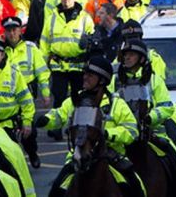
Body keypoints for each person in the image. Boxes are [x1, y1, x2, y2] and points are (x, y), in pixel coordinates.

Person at [37, 54, 144, 197]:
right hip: (78, 155)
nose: (85, 77)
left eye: (90, 75)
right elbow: (59, 115)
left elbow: (132, 131)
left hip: (111, 156)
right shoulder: (75, 100)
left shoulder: (117, 104)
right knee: (56, 188)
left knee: (136, 186)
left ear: (102, 80)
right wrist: (46, 120)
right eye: (85, 74)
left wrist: (107, 134)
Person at [39, 0, 94, 136]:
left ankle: (77, 126)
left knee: (78, 98)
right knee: (59, 97)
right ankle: (56, 127)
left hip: (78, 66)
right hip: (58, 66)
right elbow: (44, 42)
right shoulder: (52, 18)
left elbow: (93, 42)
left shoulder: (85, 19)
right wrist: (43, 68)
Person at [0, 38, 39, 169]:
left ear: (2, 54)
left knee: (13, 159)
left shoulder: (13, 73)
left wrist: (27, 122)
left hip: (8, 124)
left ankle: (32, 153)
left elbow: (26, 100)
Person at [112, 39, 174, 134]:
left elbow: (167, 107)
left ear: (141, 58)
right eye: (125, 55)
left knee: (169, 149)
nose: (127, 58)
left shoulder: (154, 80)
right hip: (122, 132)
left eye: (131, 55)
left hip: (151, 132)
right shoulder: (114, 80)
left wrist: (150, 118)